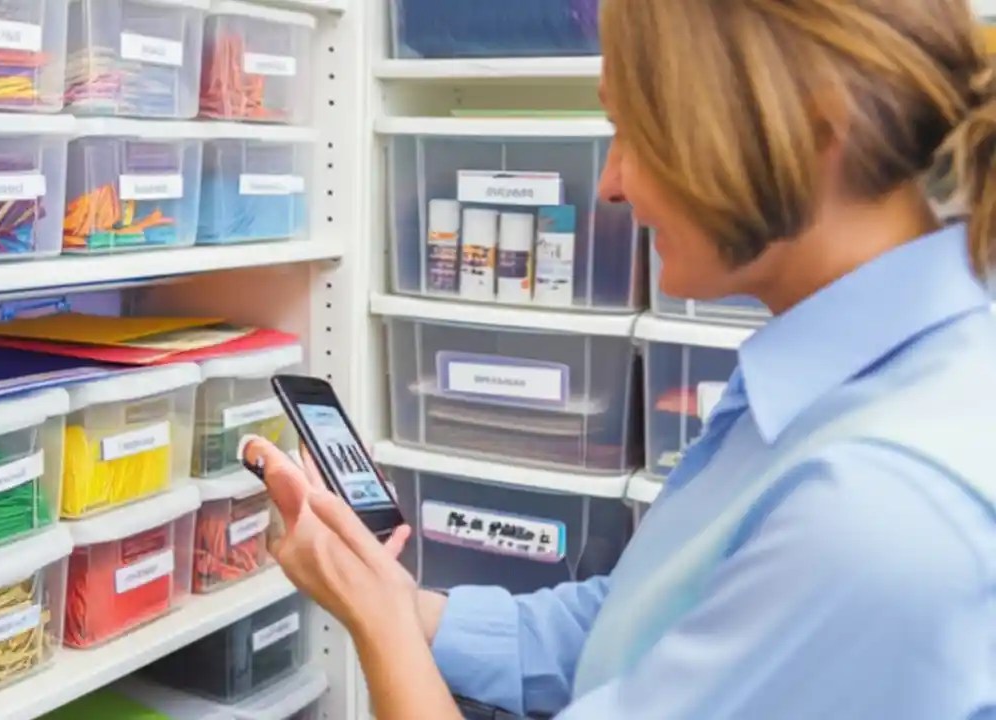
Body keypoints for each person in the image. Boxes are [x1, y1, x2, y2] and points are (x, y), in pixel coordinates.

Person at [242, 1, 996, 717]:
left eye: (637, 130)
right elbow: (646, 628)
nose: (608, 183)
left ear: (812, 124)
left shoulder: (878, 517)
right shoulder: (827, 381)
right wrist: (396, 600)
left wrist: (379, 627)